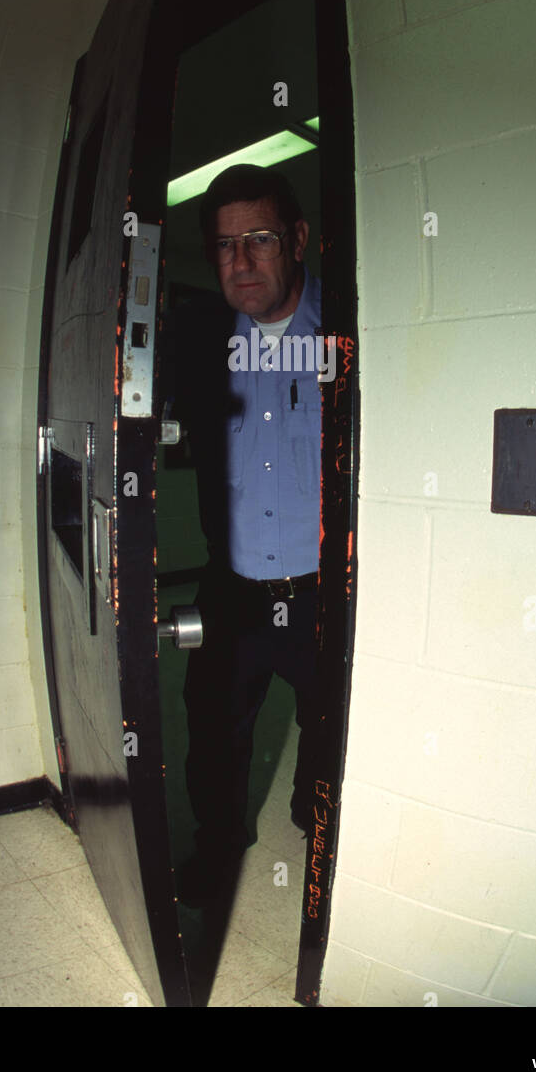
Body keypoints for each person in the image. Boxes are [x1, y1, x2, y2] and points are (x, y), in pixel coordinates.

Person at [171, 164, 322, 906]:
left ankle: (313, 815)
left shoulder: (352, 337)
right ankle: (219, 848)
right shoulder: (200, 344)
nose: (242, 262)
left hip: (327, 589)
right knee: (213, 737)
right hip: (233, 587)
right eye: (226, 245)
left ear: (296, 239)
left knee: (334, 722)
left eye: (259, 239)